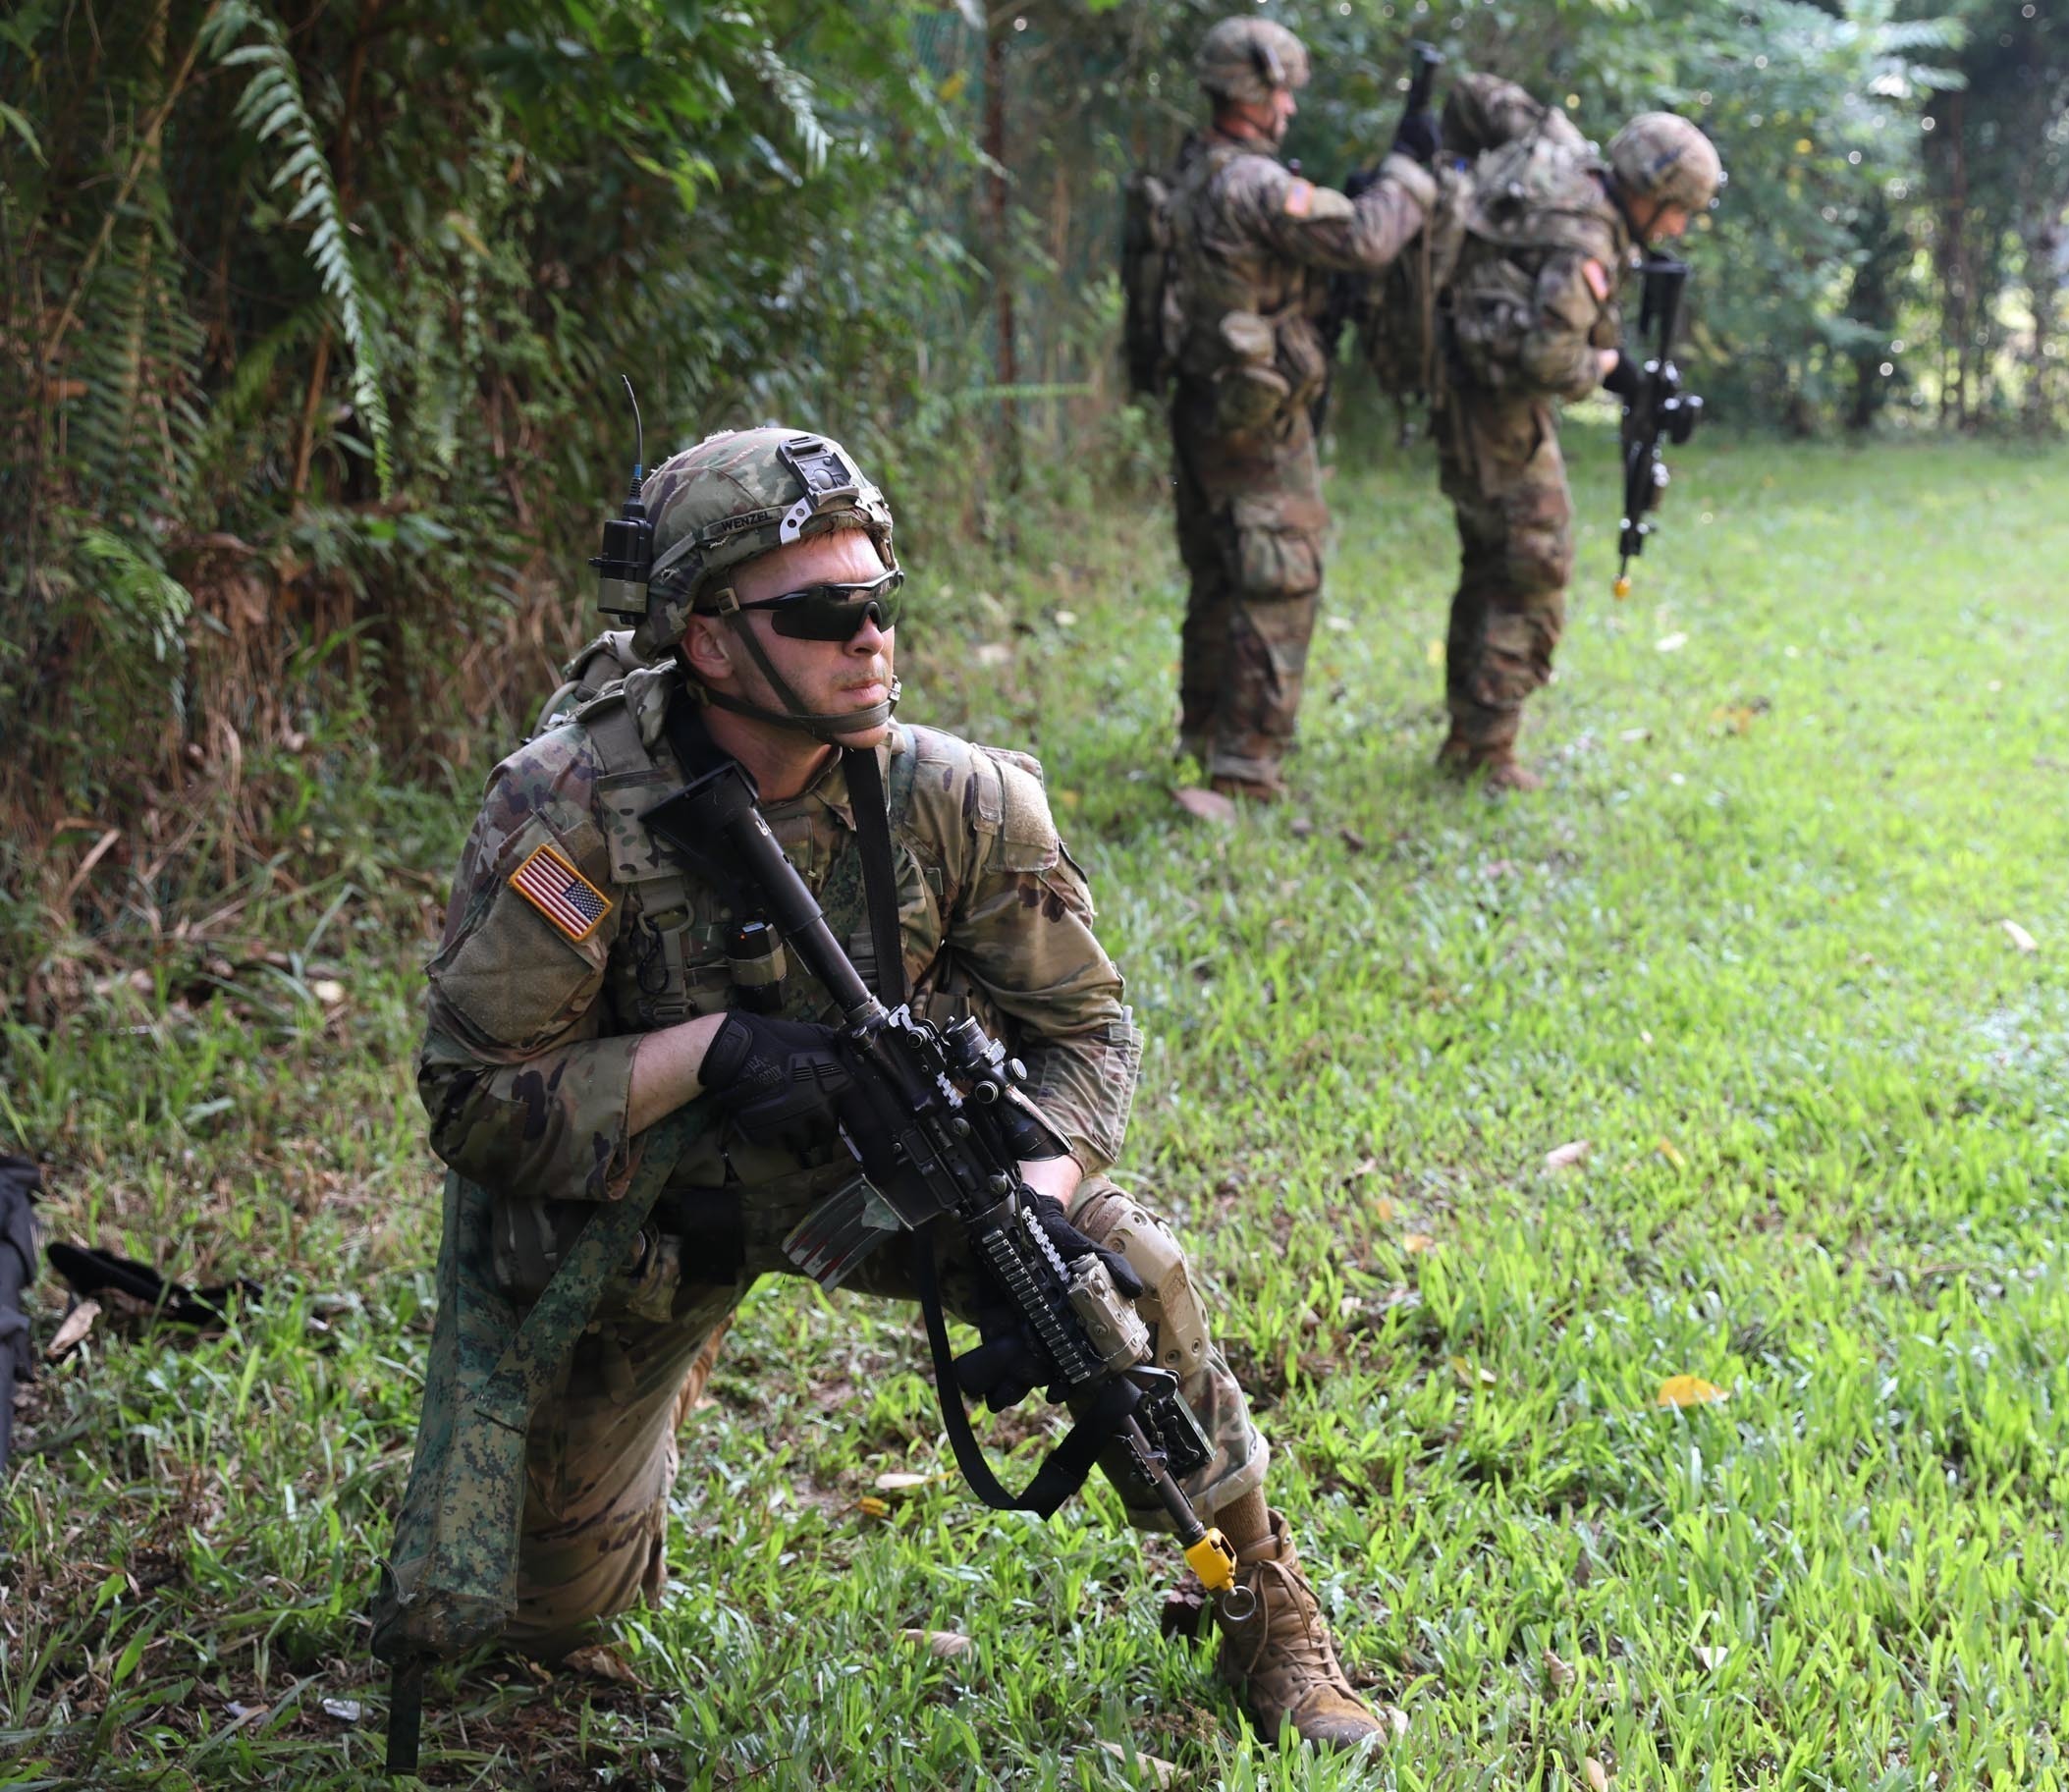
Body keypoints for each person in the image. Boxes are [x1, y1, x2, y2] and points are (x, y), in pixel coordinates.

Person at [377, 426, 1385, 1750]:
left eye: (877, 603)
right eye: (820, 611)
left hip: (883, 1171)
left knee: (1116, 1272)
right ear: (708, 638)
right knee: (542, 1621)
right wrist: (711, 1055)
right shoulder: (571, 812)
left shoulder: (954, 799)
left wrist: (1036, 1192)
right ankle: (645, 1386)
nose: (869, 639)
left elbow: (1087, 1024)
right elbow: (471, 1102)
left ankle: (1264, 1609)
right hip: (640, 1206)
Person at [1165, 17, 1438, 803]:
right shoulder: (1251, 182)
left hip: (1207, 399)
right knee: (1280, 575)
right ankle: (1245, 766)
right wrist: (1409, 173)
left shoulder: (1193, 171)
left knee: (1220, 574)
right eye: (1282, 91)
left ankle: (1204, 733)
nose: (1289, 108)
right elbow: (1366, 238)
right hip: (1258, 412)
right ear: (1258, 91)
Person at [1433, 112, 1723, 791]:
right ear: (1648, 190)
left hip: (1478, 392)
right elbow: (1550, 355)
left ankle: (1471, 737)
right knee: (1534, 563)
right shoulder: (1588, 235)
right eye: (1678, 210)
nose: (1677, 228)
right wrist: (1613, 373)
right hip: (1497, 406)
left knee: (1492, 563)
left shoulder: (1572, 188)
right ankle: (1486, 752)